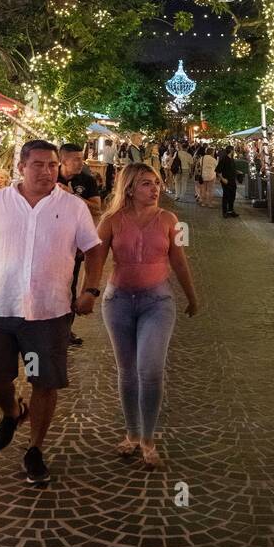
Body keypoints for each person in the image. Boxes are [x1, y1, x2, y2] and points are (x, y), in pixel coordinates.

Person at [0, 140, 103, 487]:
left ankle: (34, 449)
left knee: (44, 381)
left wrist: (90, 289)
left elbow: (93, 250)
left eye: (52, 165)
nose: (46, 171)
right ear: (21, 167)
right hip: (3, 308)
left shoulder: (72, 207)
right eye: (38, 165)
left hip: (49, 312)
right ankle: (11, 410)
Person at [96, 163, 198, 467]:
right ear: (129, 188)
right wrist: (86, 293)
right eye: (145, 184)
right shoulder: (111, 221)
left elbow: (179, 261)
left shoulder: (170, 219)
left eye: (156, 183)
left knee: (150, 370)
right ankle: (132, 433)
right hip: (118, 303)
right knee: (127, 372)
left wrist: (192, 297)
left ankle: (149, 437)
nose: (155, 189)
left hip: (158, 302)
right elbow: (95, 262)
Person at [57, 143, 101, 350]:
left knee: (69, 285)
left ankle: (65, 330)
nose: (80, 162)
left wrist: (72, 196)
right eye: (75, 159)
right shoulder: (50, 178)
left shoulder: (87, 180)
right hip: (49, 240)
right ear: (62, 160)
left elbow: (97, 209)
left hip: (74, 243)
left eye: (81, 158)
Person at [216, 145, 239, 219]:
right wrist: (223, 179)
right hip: (226, 181)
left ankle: (231, 210)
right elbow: (218, 171)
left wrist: (237, 172)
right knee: (226, 196)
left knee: (232, 196)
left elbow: (232, 169)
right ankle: (225, 212)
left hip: (232, 181)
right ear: (231, 151)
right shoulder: (224, 159)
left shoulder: (231, 159)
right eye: (233, 150)